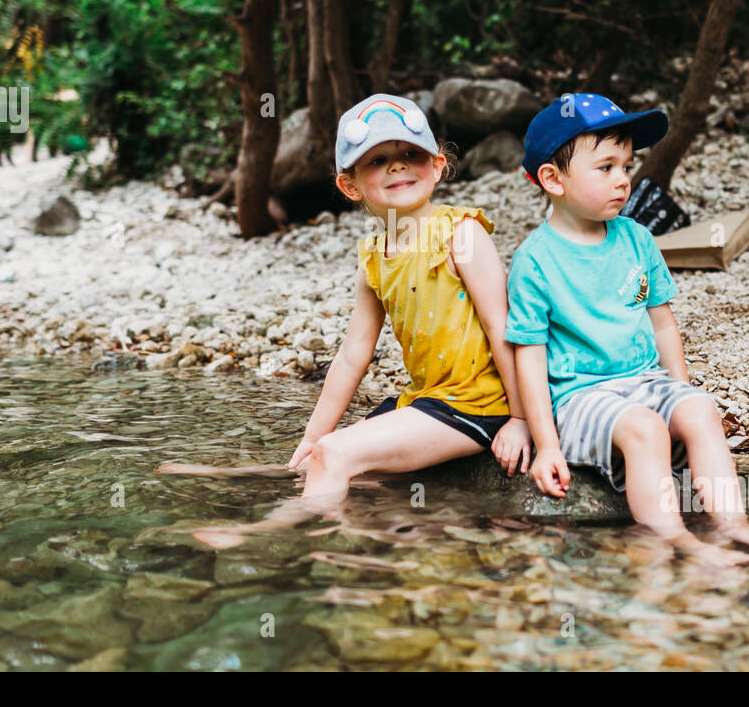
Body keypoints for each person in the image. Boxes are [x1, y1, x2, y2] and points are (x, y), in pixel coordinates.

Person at [161, 94, 533, 547]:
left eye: (410, 154)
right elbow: (353, 354)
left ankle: (270, 533)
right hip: (428, 400)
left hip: (478, 406)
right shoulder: (375, 258)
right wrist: (311, 436)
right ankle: (264, 475)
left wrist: (519, 418)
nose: (398, 167)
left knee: (337, 455)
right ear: (351, 185)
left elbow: (504, 328)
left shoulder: (462, 234)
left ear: (437, 166)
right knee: (328, 455)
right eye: (378, 160)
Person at [505, 93, 749, 566]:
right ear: (552, 179)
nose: (623, 180)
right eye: (605, 168)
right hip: (582, 397)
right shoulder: (534, 261)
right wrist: (545, 445)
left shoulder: (637, 238)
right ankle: (677, 540)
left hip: (644, 382)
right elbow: (529, 354)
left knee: (700, 409)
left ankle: (734, 529)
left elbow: (662, 323)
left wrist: (679, 392)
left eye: (627, 166)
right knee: (645, 428)